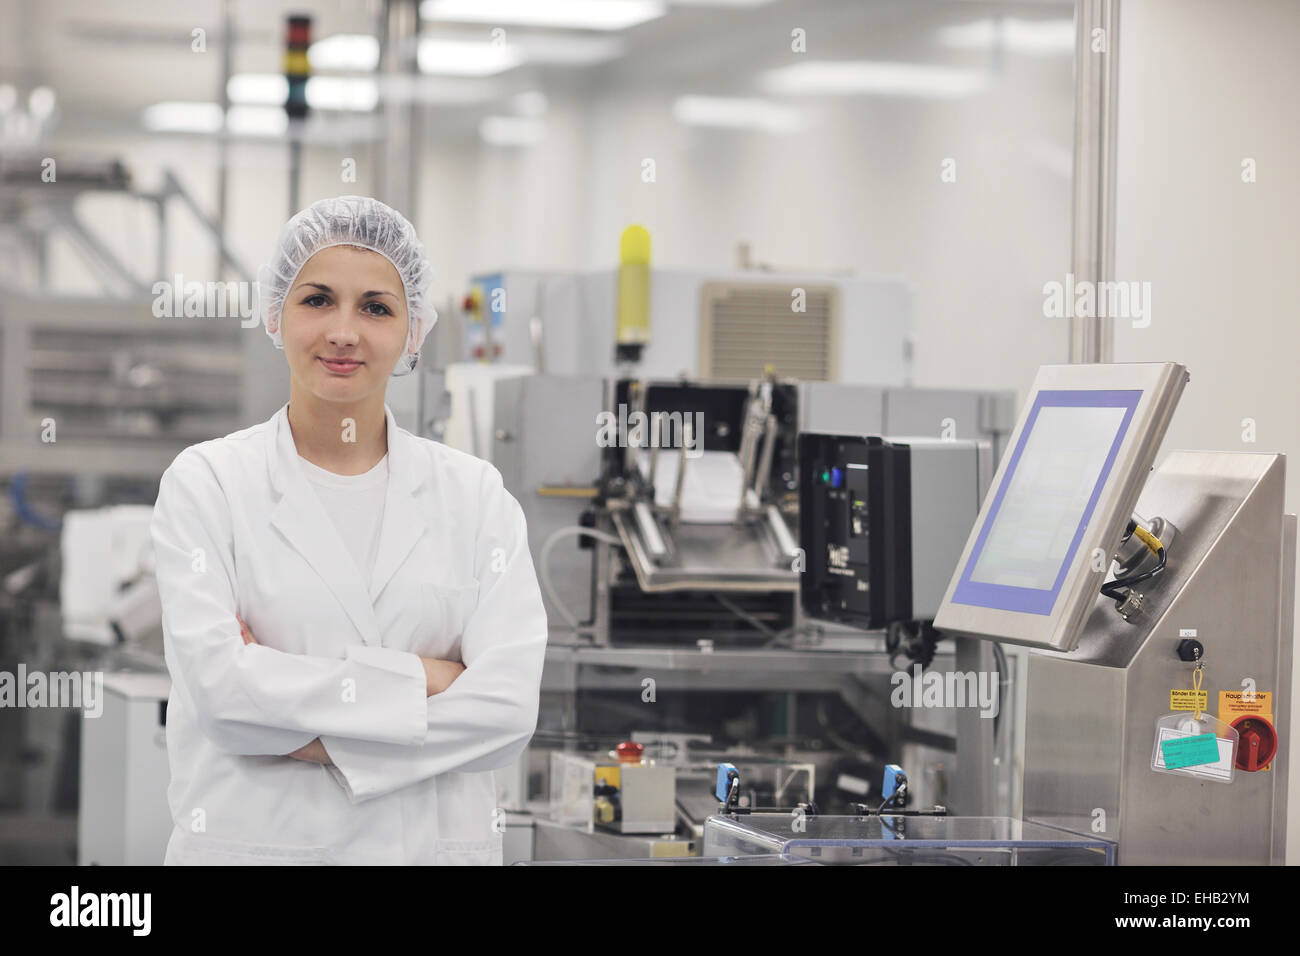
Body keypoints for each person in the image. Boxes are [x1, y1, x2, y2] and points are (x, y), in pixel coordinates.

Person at [150, 196, 547, 865]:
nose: (343, 331)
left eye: (376, 307)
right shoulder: (209, 484)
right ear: (275, 312)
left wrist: (295, 715)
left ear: (413, 330)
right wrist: (433, 678)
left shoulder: (475, 497)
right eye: (317, 300)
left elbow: (508, 713)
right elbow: (223, 702)